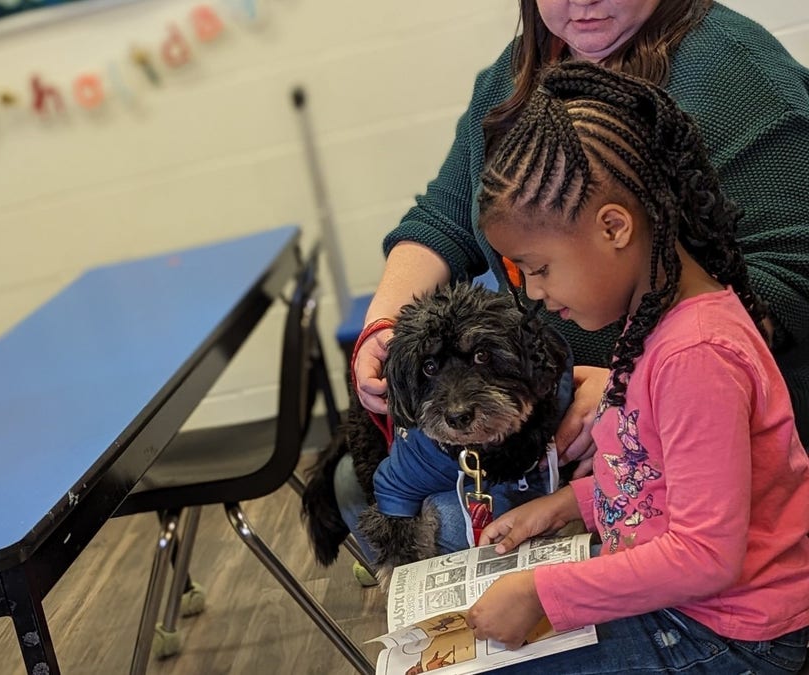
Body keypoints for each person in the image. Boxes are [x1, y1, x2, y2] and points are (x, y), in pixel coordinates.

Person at [336, 0, 809, 562]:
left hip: (700, 419)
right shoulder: (514, 76)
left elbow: (791, 275)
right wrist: (384, 326)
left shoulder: (734, 66)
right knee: (364, 485)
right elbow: (443, 216)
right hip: (559, 406)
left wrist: (630, 388)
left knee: (441, 526)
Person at [463, 59, 809, 673]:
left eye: (539, 268)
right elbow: (658, 482)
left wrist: (541, 593)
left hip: (732, 637)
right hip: (696, 606)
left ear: (614, 227)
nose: (536, 292)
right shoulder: (652, 320)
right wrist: (571, 503)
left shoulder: (695, 355)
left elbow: (706, 554)